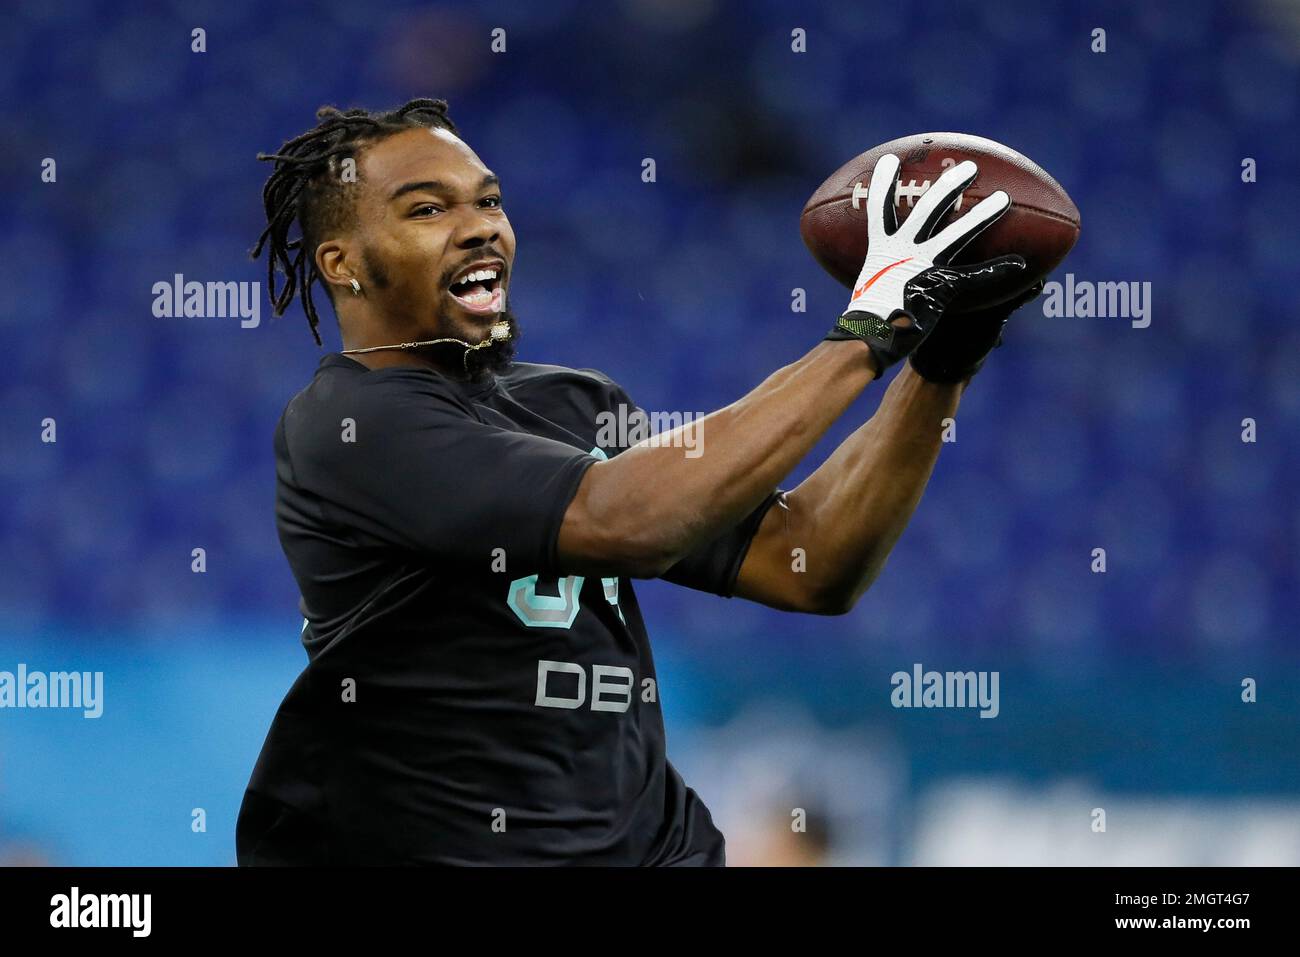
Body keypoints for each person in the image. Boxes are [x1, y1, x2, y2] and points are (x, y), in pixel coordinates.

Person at [236, 98, 1039, 865]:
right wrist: (868, 329)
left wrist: (940, 362)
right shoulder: (349, 426)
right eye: (427, 210)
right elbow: (624, 519)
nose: (479, 226)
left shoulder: (573, 404)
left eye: (488, 201)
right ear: (341, 264)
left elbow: (812, 561)